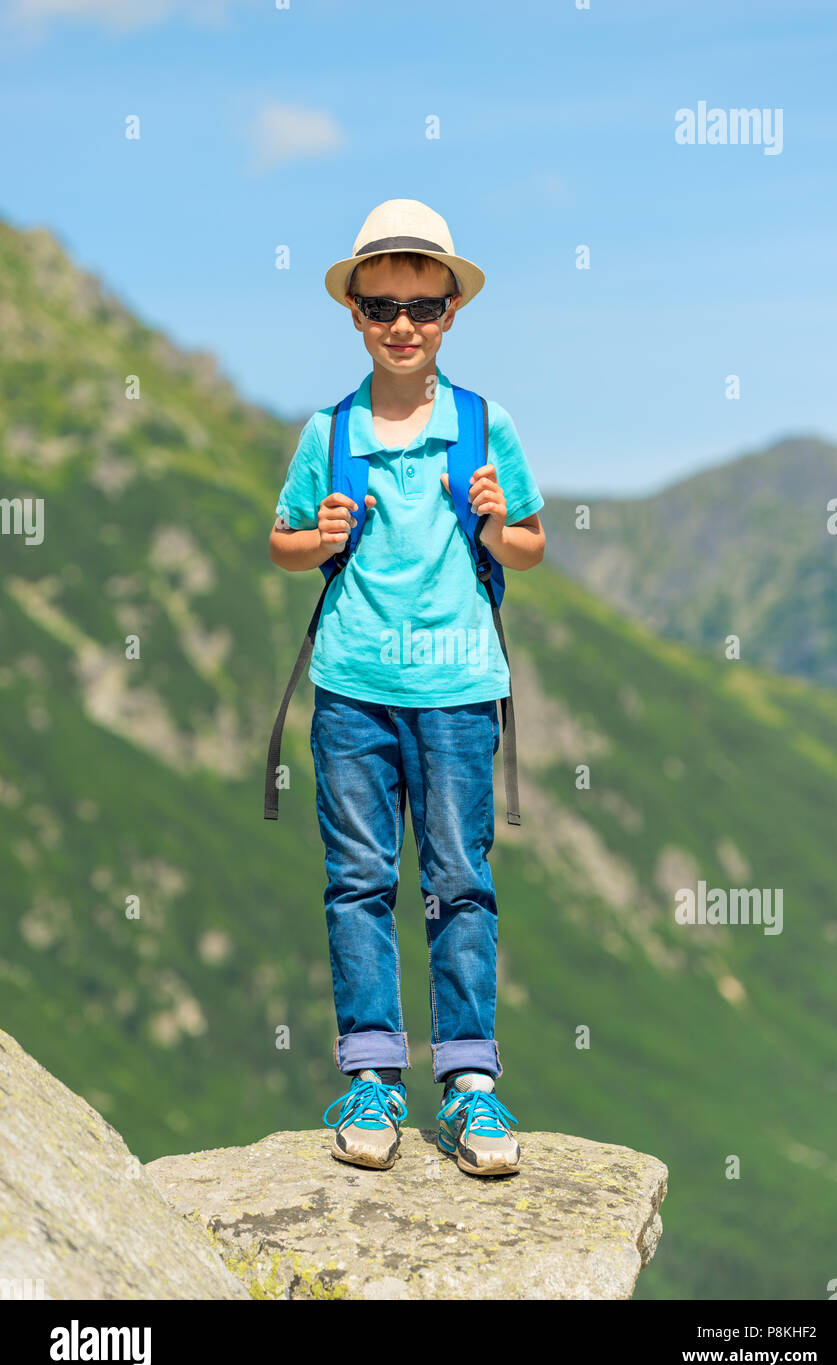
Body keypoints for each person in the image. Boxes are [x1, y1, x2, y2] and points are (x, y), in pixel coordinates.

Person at [268, 199, 545, 1176]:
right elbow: (285, 542)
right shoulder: (328, 430)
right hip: (353, 686)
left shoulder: (484, 425)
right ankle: (372, 1076)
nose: (401, 325)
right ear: (354, 313)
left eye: (421, 308)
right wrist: (321, 538)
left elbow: (529, 546)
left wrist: (497, 522)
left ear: (450, 315)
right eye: (382, 306)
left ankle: (470, 1084)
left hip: (461, 685)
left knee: (459, 883)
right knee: (360, 882)